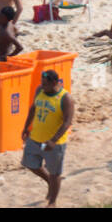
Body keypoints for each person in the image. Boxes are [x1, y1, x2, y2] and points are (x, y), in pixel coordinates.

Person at [21, 70, 74, 207]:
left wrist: (53, 140)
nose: (42, 86)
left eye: (45, 84)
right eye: (42, 83)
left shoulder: (65, 98)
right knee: (30, 163)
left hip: (53, 144)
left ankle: (52, 201)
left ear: (55, 83)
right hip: (35, 139)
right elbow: (33, 109)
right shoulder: (40, 90)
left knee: (54, 172)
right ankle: (50, 182)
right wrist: (26, 127)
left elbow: (67, 122)